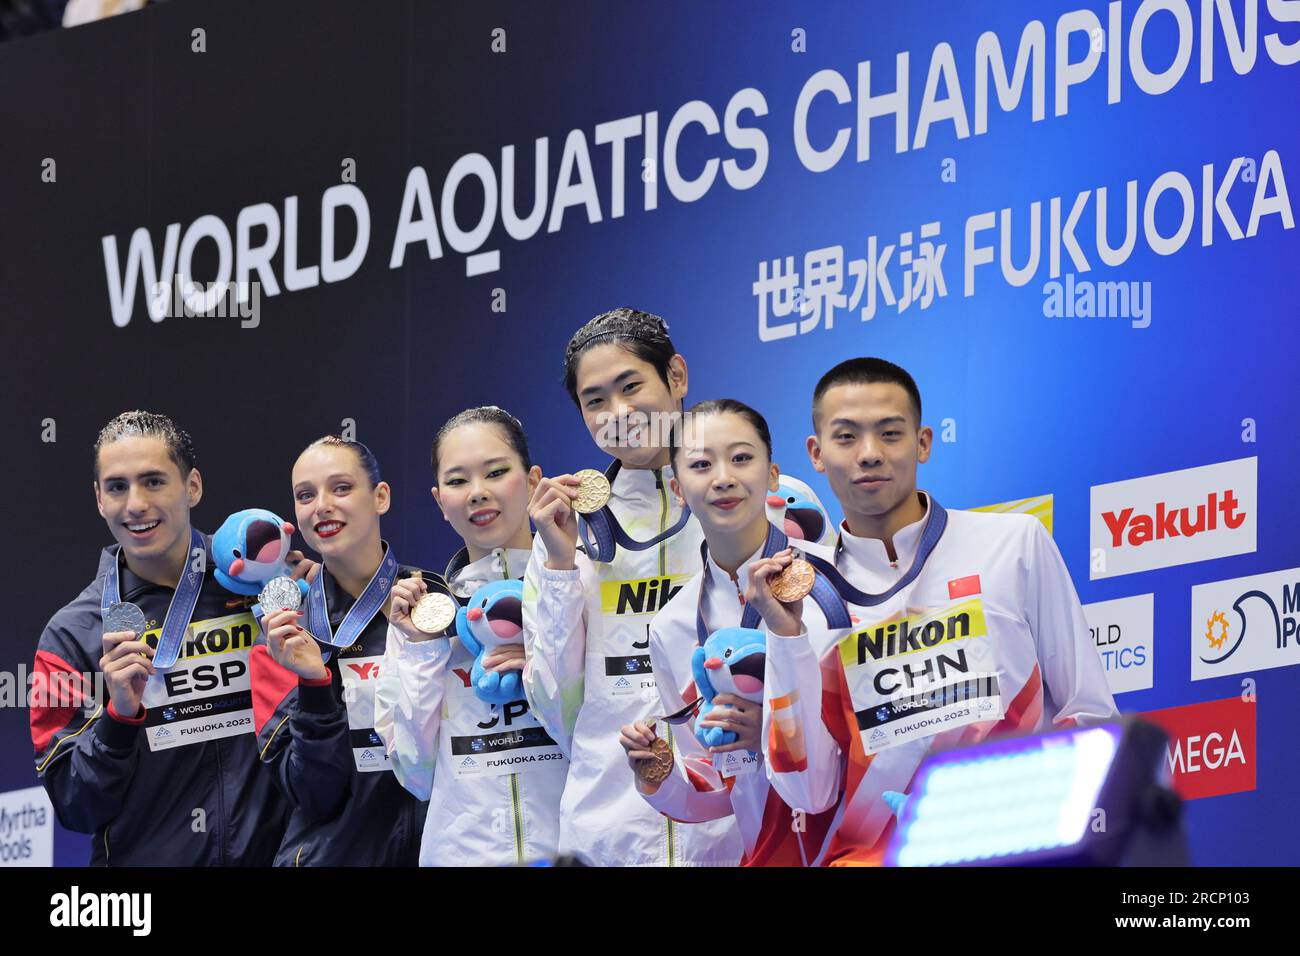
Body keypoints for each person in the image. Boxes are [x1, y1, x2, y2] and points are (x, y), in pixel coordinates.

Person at [750, 358, 1119, 865]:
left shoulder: (1013, 544)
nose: (870, 454)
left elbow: (1091, 714)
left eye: (890, 432)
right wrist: (787, 638)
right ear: (816, 453)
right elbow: (807, 793)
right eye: (847, 437)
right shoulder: (803, 597)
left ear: (923, 442)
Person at [523, 307, 742, 866]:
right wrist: (558, 565)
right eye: (595, 401)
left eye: (630, 386)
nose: (618, 413)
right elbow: (554, 700)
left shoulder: (752, 499)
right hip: (608, 830)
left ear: (676, 377)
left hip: (736, 827)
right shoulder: (564, 528)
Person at [30, 410, 297, 865]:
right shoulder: (71, 635)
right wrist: (118, 716)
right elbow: (75, 806)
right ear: (98, 498)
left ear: (192, 486)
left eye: (154, 481)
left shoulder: (266, 588)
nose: (135, 504)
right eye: (117, 487)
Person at [618, 400, 840, 865]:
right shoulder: (673, 626)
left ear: (773, 474)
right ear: (678, 489)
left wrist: (773, 731)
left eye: (741, 458)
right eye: (701, 465)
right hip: (766, 851)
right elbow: (718, 777)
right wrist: (660, 773)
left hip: (863, 839)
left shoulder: (839, 581)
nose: (723, 477)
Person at [375, 406, 567, 866]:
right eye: (459, 482)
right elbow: (415, 775)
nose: (478, 493)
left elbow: (599, 732)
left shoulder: (574, 587)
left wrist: (545, 653)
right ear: (441, 502)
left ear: (534, 480)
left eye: (497, 472)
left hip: (577, 849)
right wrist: (423, 649)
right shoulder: (421, 617)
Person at [252, 435, 428, 865]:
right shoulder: (279, 637)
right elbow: (313, 795)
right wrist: (314, 684)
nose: (322, 506)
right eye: (306, 495)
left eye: (342, 488)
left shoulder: (432, 606)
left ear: (380, 496)